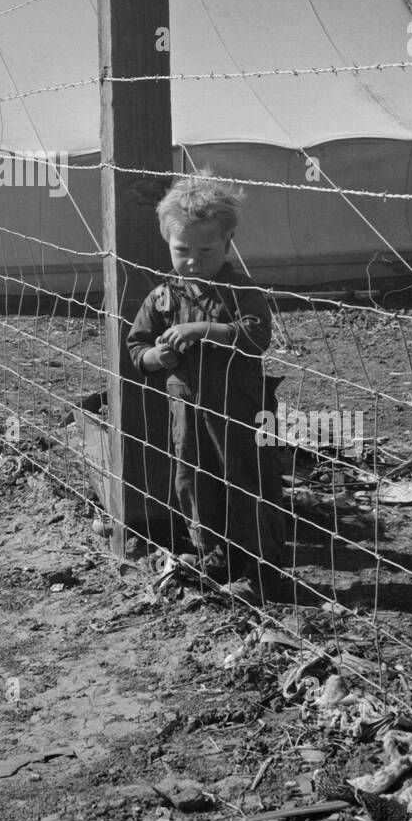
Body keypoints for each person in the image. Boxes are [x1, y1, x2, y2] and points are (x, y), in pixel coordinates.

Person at [128, 174, 285, 601]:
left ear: (228, 242)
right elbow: (137, 347)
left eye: (205, 251)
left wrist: (205, 329)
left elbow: (256, 336)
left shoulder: (239, 292)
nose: (193, 261)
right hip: (186, 410)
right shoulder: (161, 297)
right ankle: (213, 553)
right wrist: (156, 359)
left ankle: (260, 569)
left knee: (245, 480)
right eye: (182, 251)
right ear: (167, 244)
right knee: (193, 479)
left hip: (240, 409)